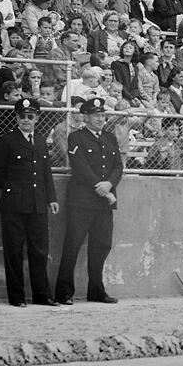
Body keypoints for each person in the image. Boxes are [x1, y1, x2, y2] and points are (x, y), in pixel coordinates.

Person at [0, 97, 61, 308]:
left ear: (37, 118)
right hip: (14, 204)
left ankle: (42, 295)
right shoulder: (6, 141)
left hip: (38, 203)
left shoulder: (39, 140)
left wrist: (52, 198)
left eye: (30, 117)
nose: (26, 120)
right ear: (16, 118)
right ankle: (17, 296)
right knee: (14, 250)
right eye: (22, 117)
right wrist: (12, 188)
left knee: (39, 250)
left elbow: (45, 173)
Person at [54, 96, 123, 305]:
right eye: (96, 116)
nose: (100, 119)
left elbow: (118, 166)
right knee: (72, 245)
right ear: (86, 117)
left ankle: (96, 290)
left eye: (102, 115)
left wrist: (109, 184)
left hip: (104, 202)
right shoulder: (76, 137)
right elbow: (81, 167)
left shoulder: (110, 138)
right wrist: (102, 188)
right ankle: (64, 292)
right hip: (82, 201)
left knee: (101, 246)